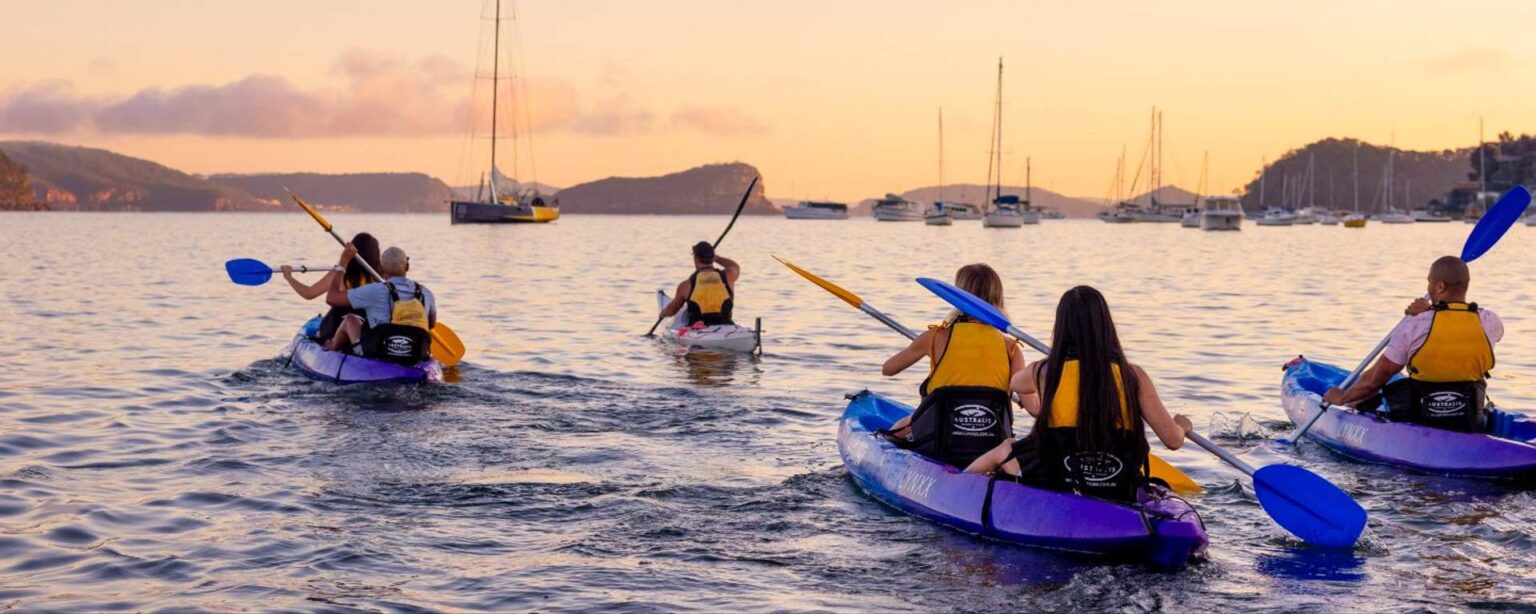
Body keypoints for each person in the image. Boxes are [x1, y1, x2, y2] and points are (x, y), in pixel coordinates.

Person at [965, 285, 1193, 502]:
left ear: (1062, 327)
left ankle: (956, 486)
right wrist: (1182, 425)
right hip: (1117, 481)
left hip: (1057, 478)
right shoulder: (1133, 376)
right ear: (1105, 326)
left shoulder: (1044, 371)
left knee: (1006, 448)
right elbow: (1172, 440)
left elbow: (1014, 383)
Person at [1322, 256, 1502, 432]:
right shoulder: (1490, 321)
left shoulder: (1415, 324)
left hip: (1421, 421)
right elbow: (1456, 324)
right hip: (1469, 419)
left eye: (1430, 282)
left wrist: (1343, 397)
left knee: (1361, 399)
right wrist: (1432, 311)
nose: (1428, 287)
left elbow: (1377, 377)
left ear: (1439, 286)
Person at [881, 264, 1026, 468]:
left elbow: (888, 370)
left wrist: (924, 346)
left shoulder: (933, 338)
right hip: (988, 445)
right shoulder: (1012, 348)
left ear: (957, 296)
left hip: (937, 444)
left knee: (901, 427)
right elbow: (1030, 402)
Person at [325, 245, 438, 364]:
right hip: (415, 354)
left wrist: (343, 262)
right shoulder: (426, 293)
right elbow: (430, 324)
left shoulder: (374, 291)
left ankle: (332, 348)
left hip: (378, 353)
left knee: (350, 319)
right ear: (407, 267)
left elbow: (332, 298)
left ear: (380, 269)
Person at [282, 232, 381, 342]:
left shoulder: (339, 272)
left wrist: (289, 277)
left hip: (335, 325)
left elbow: (308, 293)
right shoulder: (382, 275)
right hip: (366, 326)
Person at [659, 242, 740, 327]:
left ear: (696, 258)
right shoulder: (729, 275)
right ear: (713, 257)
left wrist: (663, 313)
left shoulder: (686, 285)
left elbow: (672, 311)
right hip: (727, 327)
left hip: (698, 330)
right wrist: (717, 258)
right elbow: (735, 266)